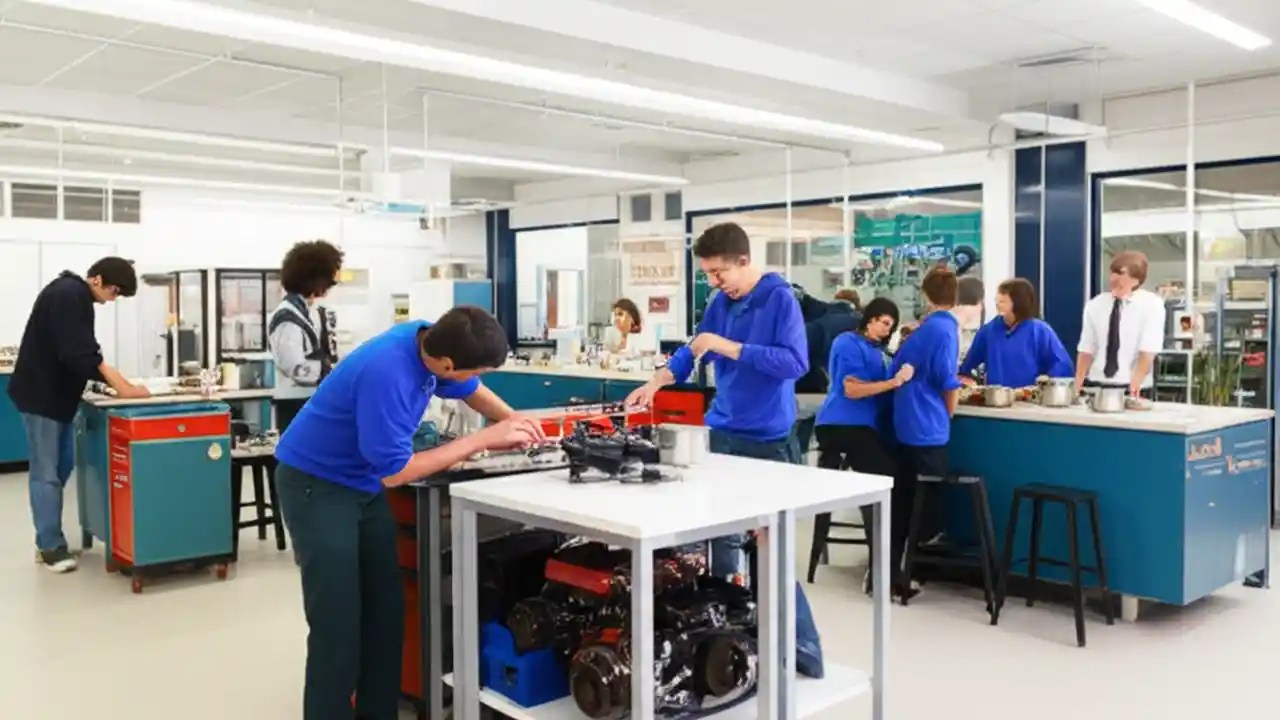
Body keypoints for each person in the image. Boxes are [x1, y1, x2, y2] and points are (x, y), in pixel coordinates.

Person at [273, 306, 544, 720]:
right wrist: (483, 439)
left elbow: (468, 387)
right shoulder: (389, 374)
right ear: (447, 364)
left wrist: (512, 419)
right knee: (338, 626)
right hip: (317, 485)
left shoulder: (426, 340)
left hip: (359, 486)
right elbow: (395, 472)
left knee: (386, 617)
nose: (477, 378)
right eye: (476, 369)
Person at [625, 222, 825, 678]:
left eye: (719, 273)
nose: (713, 282)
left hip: (767, 443)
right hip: (721, 436)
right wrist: (656, 381)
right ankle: (726, 647)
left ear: (742, 260)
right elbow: (695, 349)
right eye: (708, 274)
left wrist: (729, 347)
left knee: (769, 553)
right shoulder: (721, 301)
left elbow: (794, 363)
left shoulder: (779, 299)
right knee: (717, 550)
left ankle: (803, 651)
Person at [10, 257, 151, 573]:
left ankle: (46, 536)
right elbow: (81, 352)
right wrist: (123, 388)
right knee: (46, 472)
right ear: (98, 280)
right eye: (115, 292)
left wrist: (122, 385)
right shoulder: (69, 295)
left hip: (58, 396)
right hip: (41, 397)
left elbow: (83, 353)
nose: (113, 299)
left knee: (62, 465)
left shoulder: (74, 295)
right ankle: (49, 546)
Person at [812, 297, 912, 595]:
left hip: (865, 428)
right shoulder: (847, 343)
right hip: (842, 426)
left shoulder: (879, 352)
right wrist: (894, 383)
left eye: (890, 327)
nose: (885, 330)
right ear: (869, 318)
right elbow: (851, 388)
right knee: (886, 483)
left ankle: (886, 562)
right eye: (883, 323)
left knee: (900, 478)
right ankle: (882, 571)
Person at [888, 267, 964, 597]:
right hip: (927, 425)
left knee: (905, 500)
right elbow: (947, 379)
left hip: (906, 420)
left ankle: (893, 570)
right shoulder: (946, 329)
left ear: (925, 294)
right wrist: (950, 411)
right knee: (928, 502)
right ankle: (912, 571)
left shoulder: (922, 331)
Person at [269, 240, 344, 431]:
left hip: (314, 397)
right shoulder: (287, 317)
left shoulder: (311, 311)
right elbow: (293, 366)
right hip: (295, 402)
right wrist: (327, 370)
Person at [1075, 251, 1167, 397]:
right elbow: (1086, 347)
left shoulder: (1151, 305)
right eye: (1112, 273)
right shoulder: (1096, 304)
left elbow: (1148, 350)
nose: (1113, 278)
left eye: (1120, 273)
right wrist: (1078, 383)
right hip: (1097, 383)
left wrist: (1135, 386)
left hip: (1133, 387)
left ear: (1136, 279)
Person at [959, 278, 1073, 388]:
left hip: (1031, 399)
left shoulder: (1039, 331)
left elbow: (1063, 363)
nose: (998, 305)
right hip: (997, 398)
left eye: (1003, 301)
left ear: (1018, 303)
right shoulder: (988, 331)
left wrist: (1048, 379)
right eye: (997, 301)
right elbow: (967, 366)